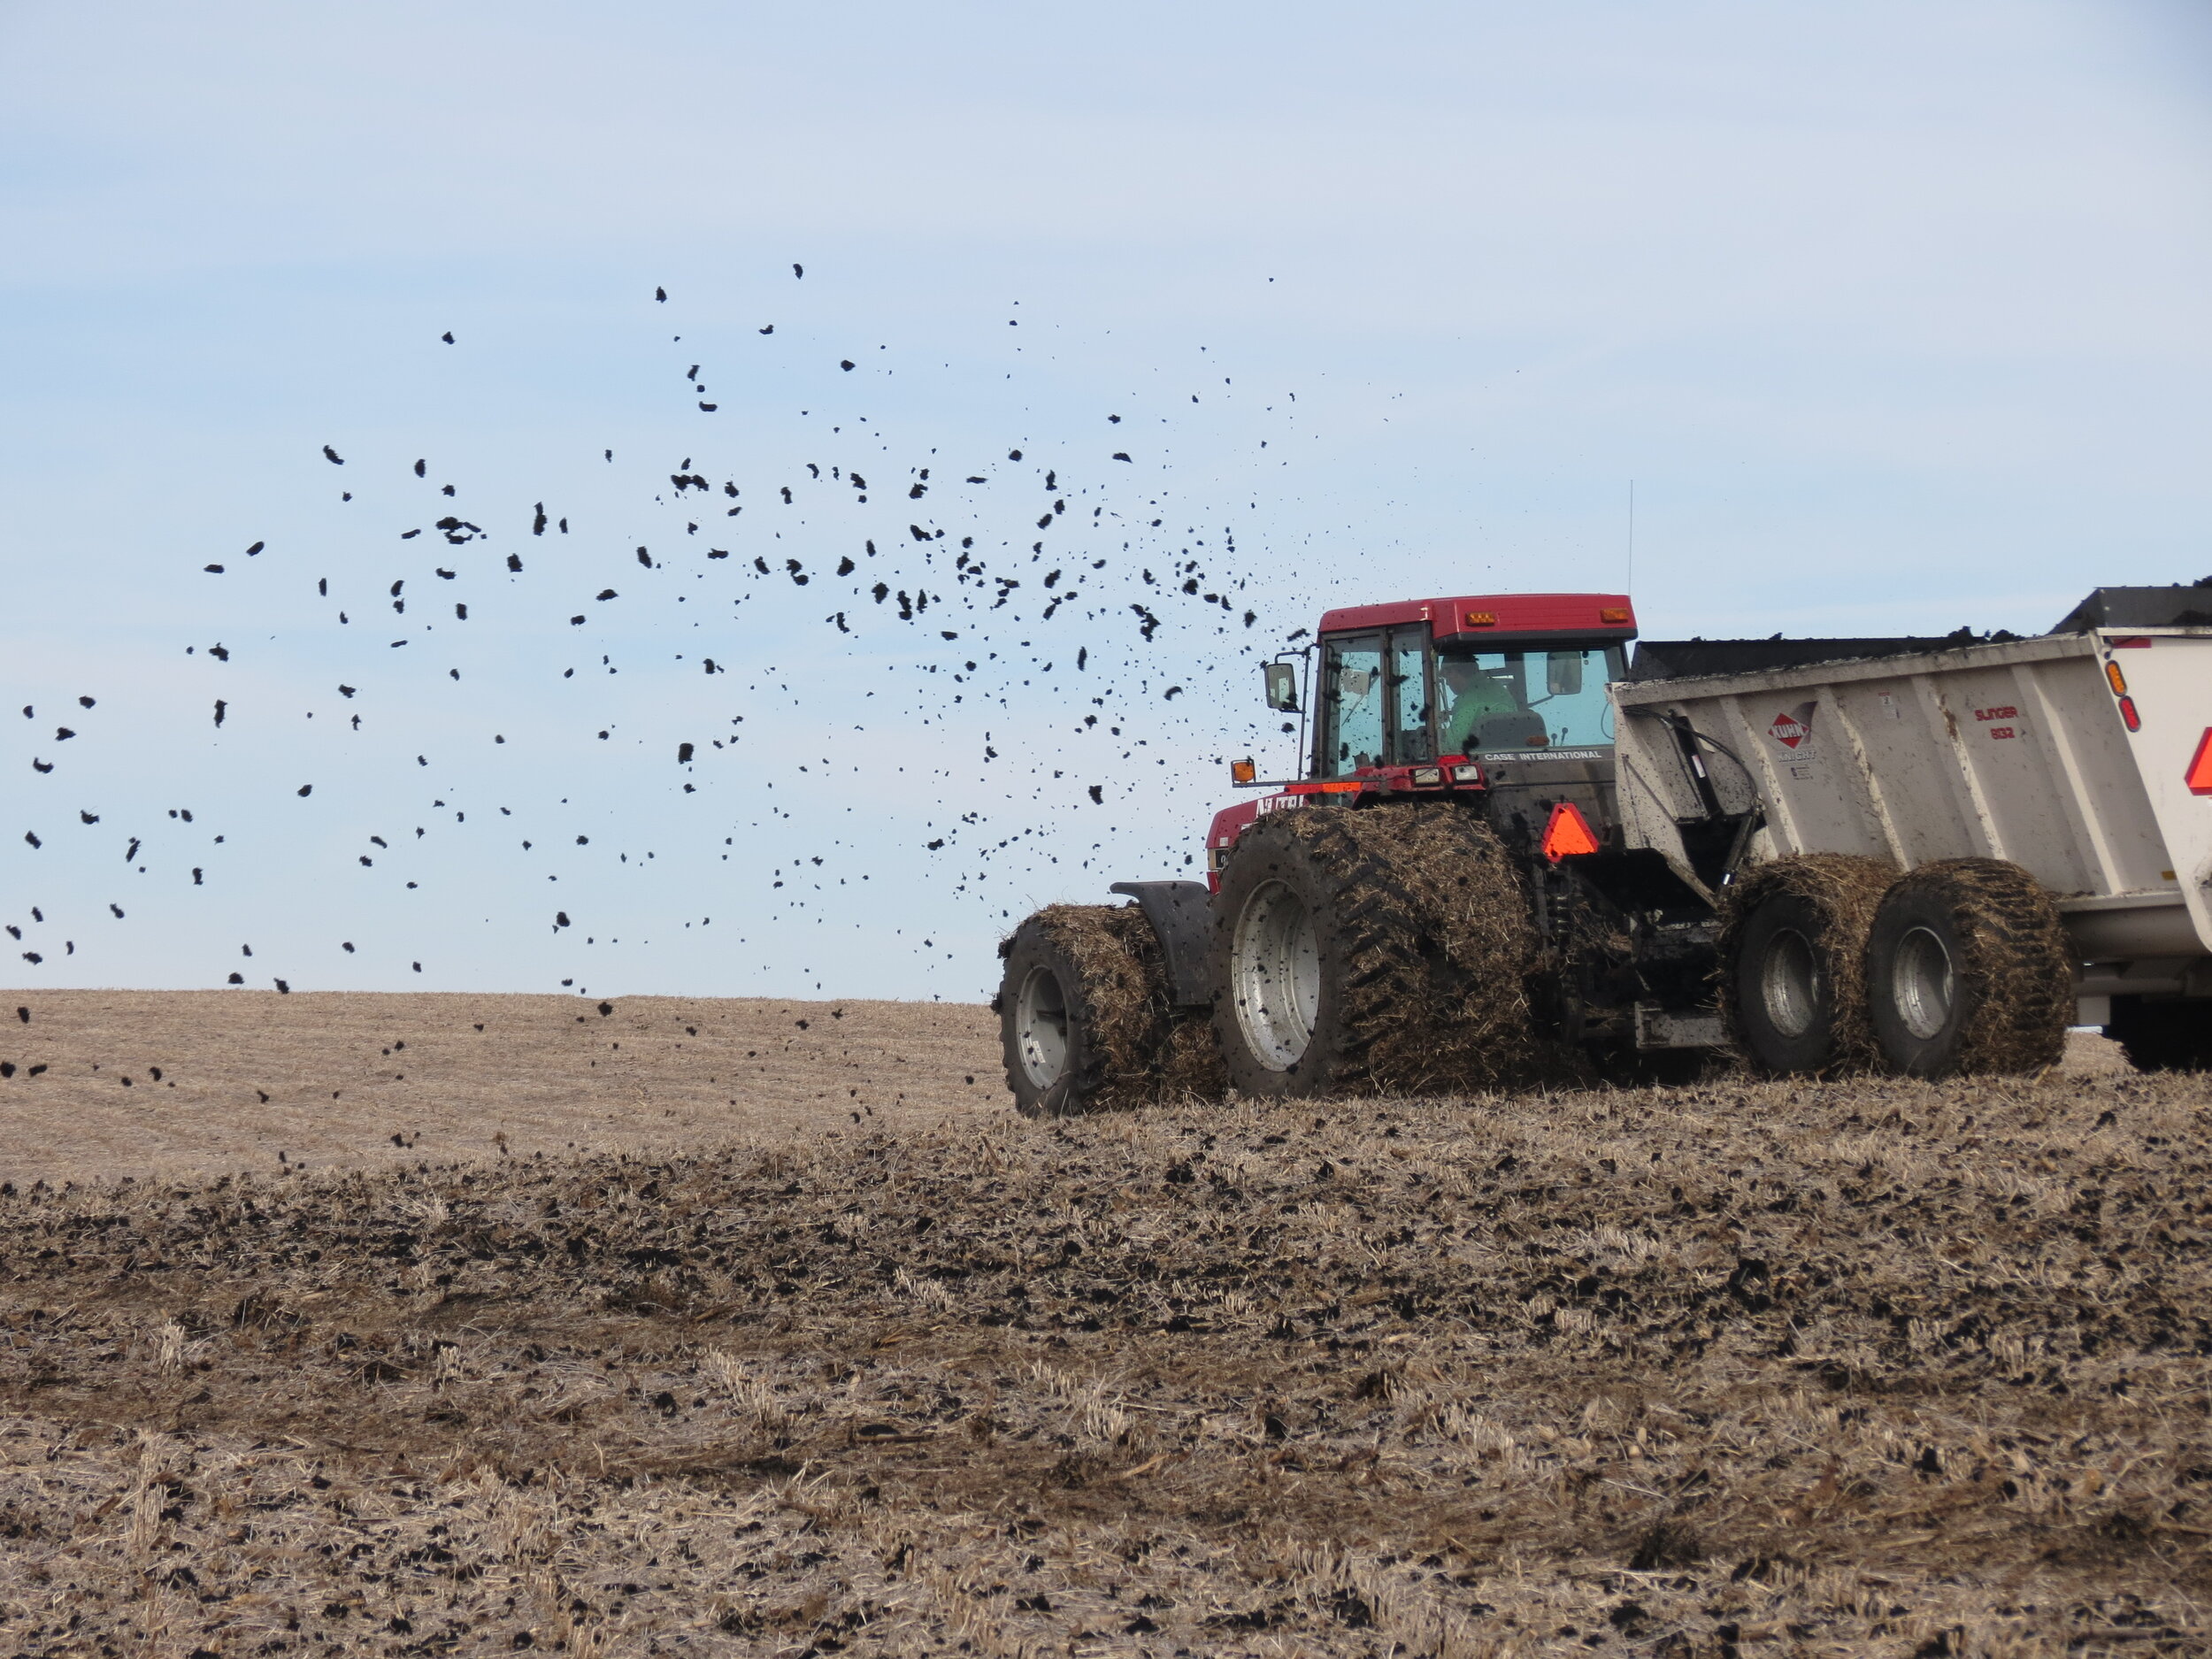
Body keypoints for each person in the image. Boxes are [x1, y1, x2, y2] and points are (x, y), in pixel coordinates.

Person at [1439, 657, 1522, 753]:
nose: (1447, 683)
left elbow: (1455, 744)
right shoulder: (1498, 689)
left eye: (1446, 678)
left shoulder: (1469, 700)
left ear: (1453, 673)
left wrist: (1437, 742)